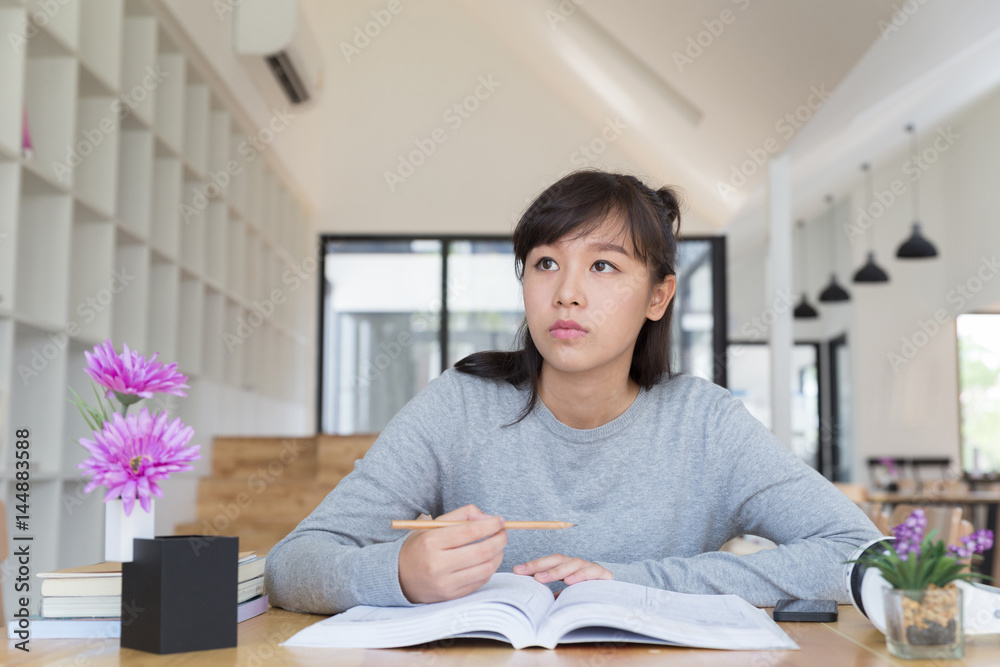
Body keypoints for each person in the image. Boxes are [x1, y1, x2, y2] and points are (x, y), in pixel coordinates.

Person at [265, 169, 883, 615]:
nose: (566, 292)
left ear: (659, 296)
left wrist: (630, 582)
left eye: (604, 266)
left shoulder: (705, 424)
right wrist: (397, 572)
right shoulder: (460, 404)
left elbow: (857, 552)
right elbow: (293, 566)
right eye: (545, 263)